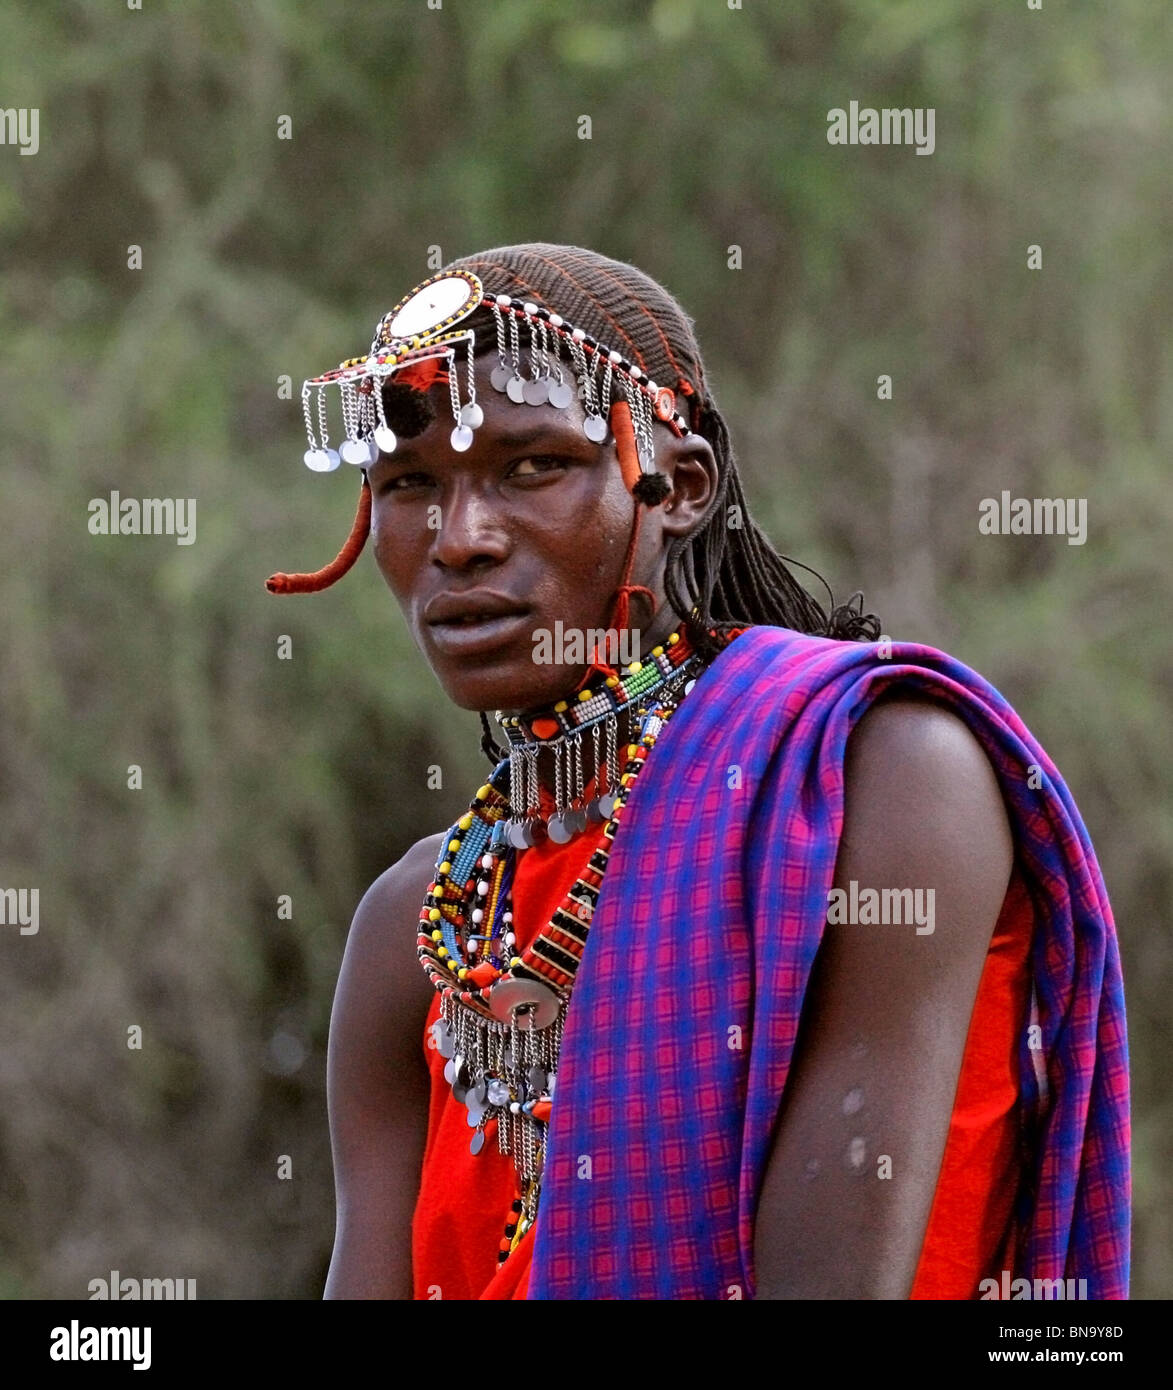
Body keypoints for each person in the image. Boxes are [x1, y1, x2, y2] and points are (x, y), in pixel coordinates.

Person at [267, 242, 1129, 1300]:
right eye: (409, 485)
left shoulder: (875, 780)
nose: (462, 538)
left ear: (676, 487)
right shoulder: (420, 925)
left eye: (531, 465)